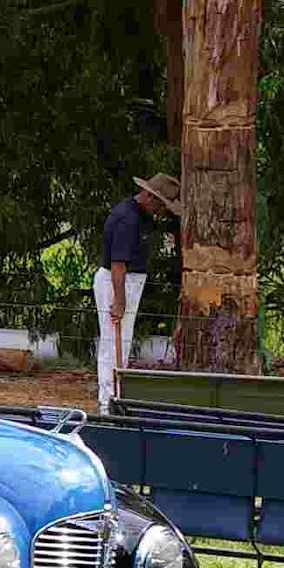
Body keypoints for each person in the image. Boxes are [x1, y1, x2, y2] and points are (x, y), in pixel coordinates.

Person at [95, 172, 181, 412]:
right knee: (114, 341)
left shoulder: (140, 215)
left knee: (122, 339)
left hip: (128, 280)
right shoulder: (128, 219)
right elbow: (117, 263)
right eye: (161, 206)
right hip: (118, 281)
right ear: (150, 197)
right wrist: (119, 300)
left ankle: (115, 394)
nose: (161, 212)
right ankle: (107, 399)